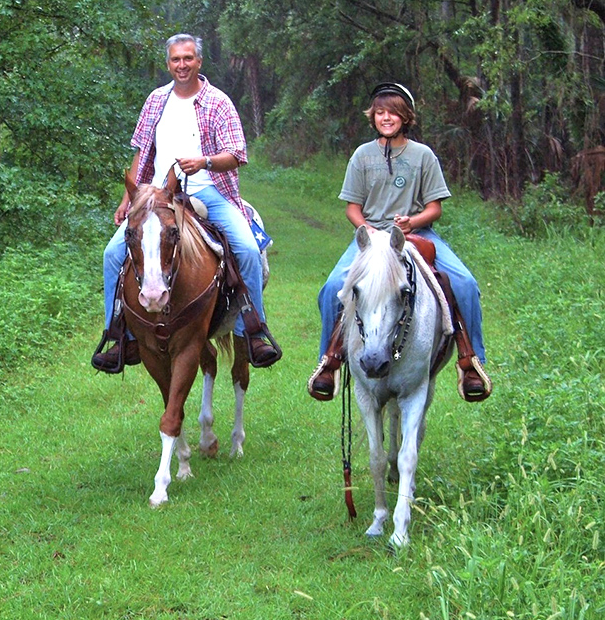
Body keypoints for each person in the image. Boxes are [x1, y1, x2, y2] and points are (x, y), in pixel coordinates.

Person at [92, 33, 281, 371]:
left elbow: (236, 155)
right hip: (156, 196)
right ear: (168, 63)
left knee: (249, 251)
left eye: (188, 58)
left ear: (199, 62)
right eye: (176, 59)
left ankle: (252, 331)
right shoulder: (155, 100)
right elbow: (141, 153)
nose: (182, 65)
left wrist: (204, 161)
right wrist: (127, 199)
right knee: (111, 255)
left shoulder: (218, 101)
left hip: (210, 190)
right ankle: (119, 336)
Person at [307, 81, 491, 402]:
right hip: (371, 238)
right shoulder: (362, 156)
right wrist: (369, 230)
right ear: (373, 117)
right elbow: (352, 207)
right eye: (380, 113)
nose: (386, 118)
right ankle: (331, 360)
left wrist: (412, 222)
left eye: (393, 112)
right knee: (332, 288)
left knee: (465, 283)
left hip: (418, 235)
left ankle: (470, 360)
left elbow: (435, 207)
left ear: (406, 117)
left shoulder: (423, 156)